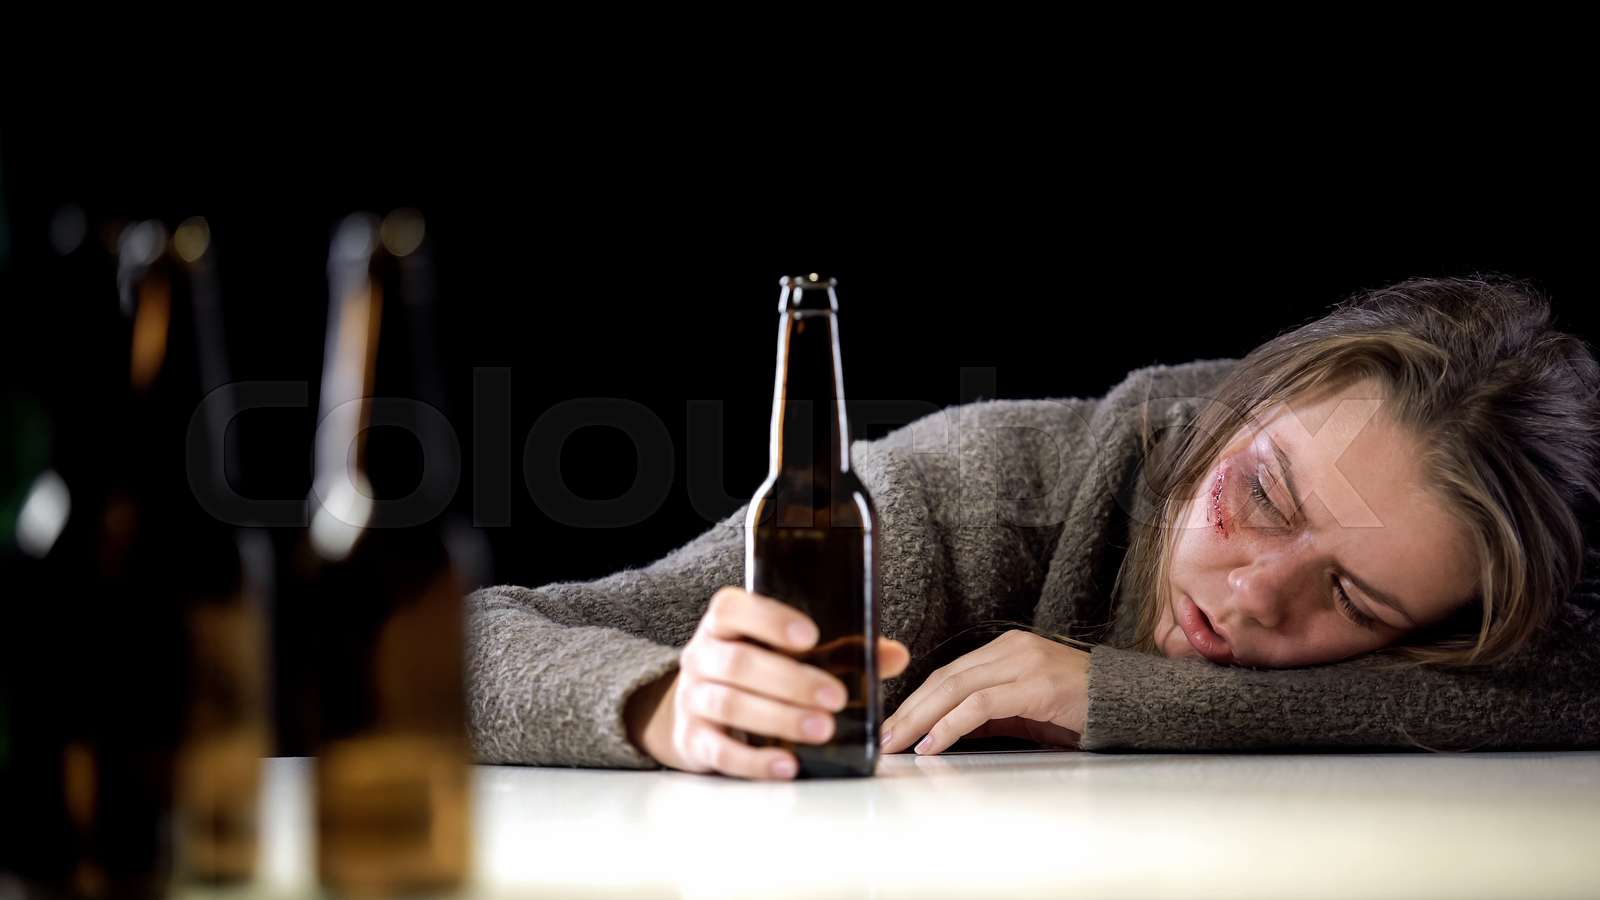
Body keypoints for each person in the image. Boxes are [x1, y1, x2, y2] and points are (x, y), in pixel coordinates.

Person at [465, 276, 1600, 781]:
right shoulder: (968, 496)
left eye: (1354, 602)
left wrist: (1125, 696)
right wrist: (663, 706)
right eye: (1261, 495)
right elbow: (467, 643)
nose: (1256, 593)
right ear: (1229, 411)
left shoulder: (1490, 606)